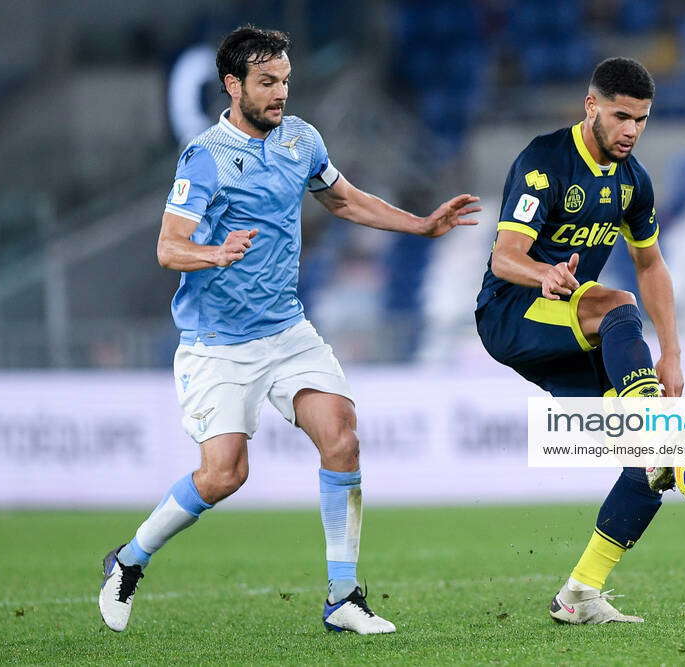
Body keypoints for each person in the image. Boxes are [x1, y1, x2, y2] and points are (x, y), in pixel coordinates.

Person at [98, 25, 480, 635]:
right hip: (217, 343)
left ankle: (344, 597)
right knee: (225, 474)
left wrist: (420, 226)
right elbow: (169, 247)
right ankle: (129, 558)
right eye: (267, 83)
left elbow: (345, 201)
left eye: (285, 82)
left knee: (342, 439)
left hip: (286, 331)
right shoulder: (205, 156)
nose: (280, 94)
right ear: (233, 85)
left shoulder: (301, 139)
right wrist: (215, 252)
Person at [475, 57, 683, 624]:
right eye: (621, 117)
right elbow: (505, 255)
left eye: (641, 120)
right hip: (510, 311)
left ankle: (580, 594)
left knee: (650, 467)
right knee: (615, 304)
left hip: (570, 323)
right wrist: (542, 273)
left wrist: (673, 354)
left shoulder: (633, 181)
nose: (631, 131)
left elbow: (652, 264)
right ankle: (651, 420)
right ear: (591, 106)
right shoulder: (544, 161)